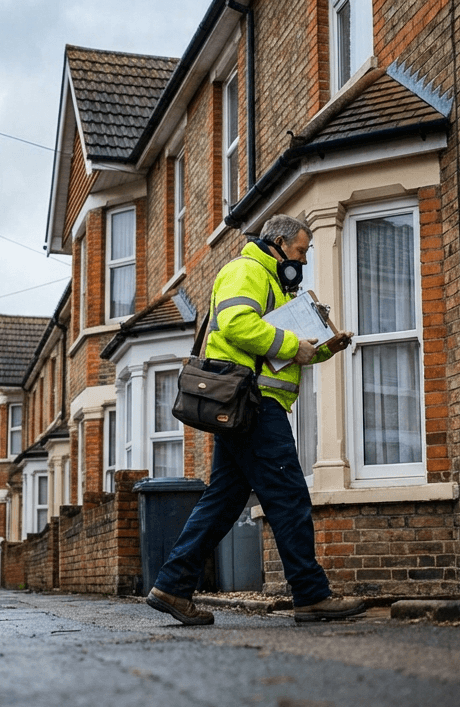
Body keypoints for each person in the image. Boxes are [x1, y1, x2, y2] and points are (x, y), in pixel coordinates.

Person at [146, 214, 365, 625]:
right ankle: (311, 596)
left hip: (250, 405)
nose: (302, 260)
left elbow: (278, 352)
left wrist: (322, 348)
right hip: (253, 405)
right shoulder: (246, 270)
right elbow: (236, 324)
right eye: (300, 251)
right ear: (279, 243)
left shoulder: (277, 286)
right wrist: (291, 343)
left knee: (223, 501)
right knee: (289, 497)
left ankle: (173, 585)